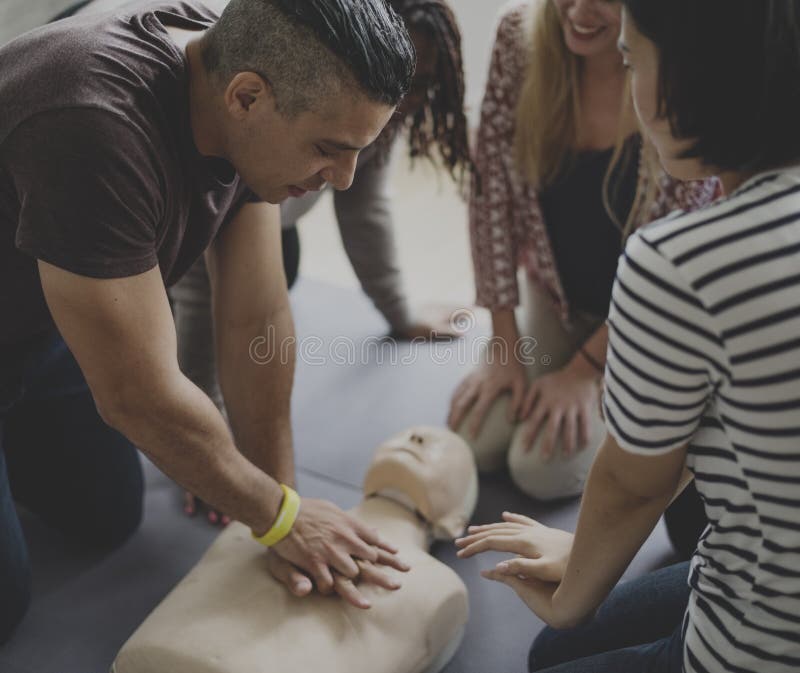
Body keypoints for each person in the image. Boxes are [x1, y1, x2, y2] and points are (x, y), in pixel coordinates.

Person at [0, 0, 416, 644]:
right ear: (246, 98)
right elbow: (135, 396)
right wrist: (280, 519)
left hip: (40, 323)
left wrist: (283, 506)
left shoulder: (239, 75)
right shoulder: (94, 123)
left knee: (107, 514)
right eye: (327, 150)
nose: (343, 178)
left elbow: (256, 320)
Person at [456, 0, 800, 670]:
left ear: (689, 75)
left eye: (632, 60)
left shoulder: (678, 262)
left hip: (760, 639)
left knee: (548, 652)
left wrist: (571, 594)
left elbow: (634, 481)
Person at [171, 0, 472, 521]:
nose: (407, 101)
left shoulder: (376, 107)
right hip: (182, 238)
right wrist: (211, 452)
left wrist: (401, 313)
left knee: (276, 276)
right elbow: (207, 299)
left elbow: (364, 209)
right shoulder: (249, 124)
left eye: (419, 84)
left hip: (270, 221)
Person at [446, 0, 716, 555]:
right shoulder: (518, 38)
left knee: (538, 469)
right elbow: (491, 192)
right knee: (476, 438)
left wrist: (585, 371)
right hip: (556, 297)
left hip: (646, 325)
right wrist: (503, 342)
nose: (580, 9)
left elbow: (678, 268)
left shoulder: (680, 64)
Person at [113, 426, 478, 673]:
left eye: (441, 452)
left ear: (456, 520)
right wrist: (278, 518)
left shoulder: (437, 587)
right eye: (410, 435)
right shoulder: (253, 523)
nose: (416, 437)